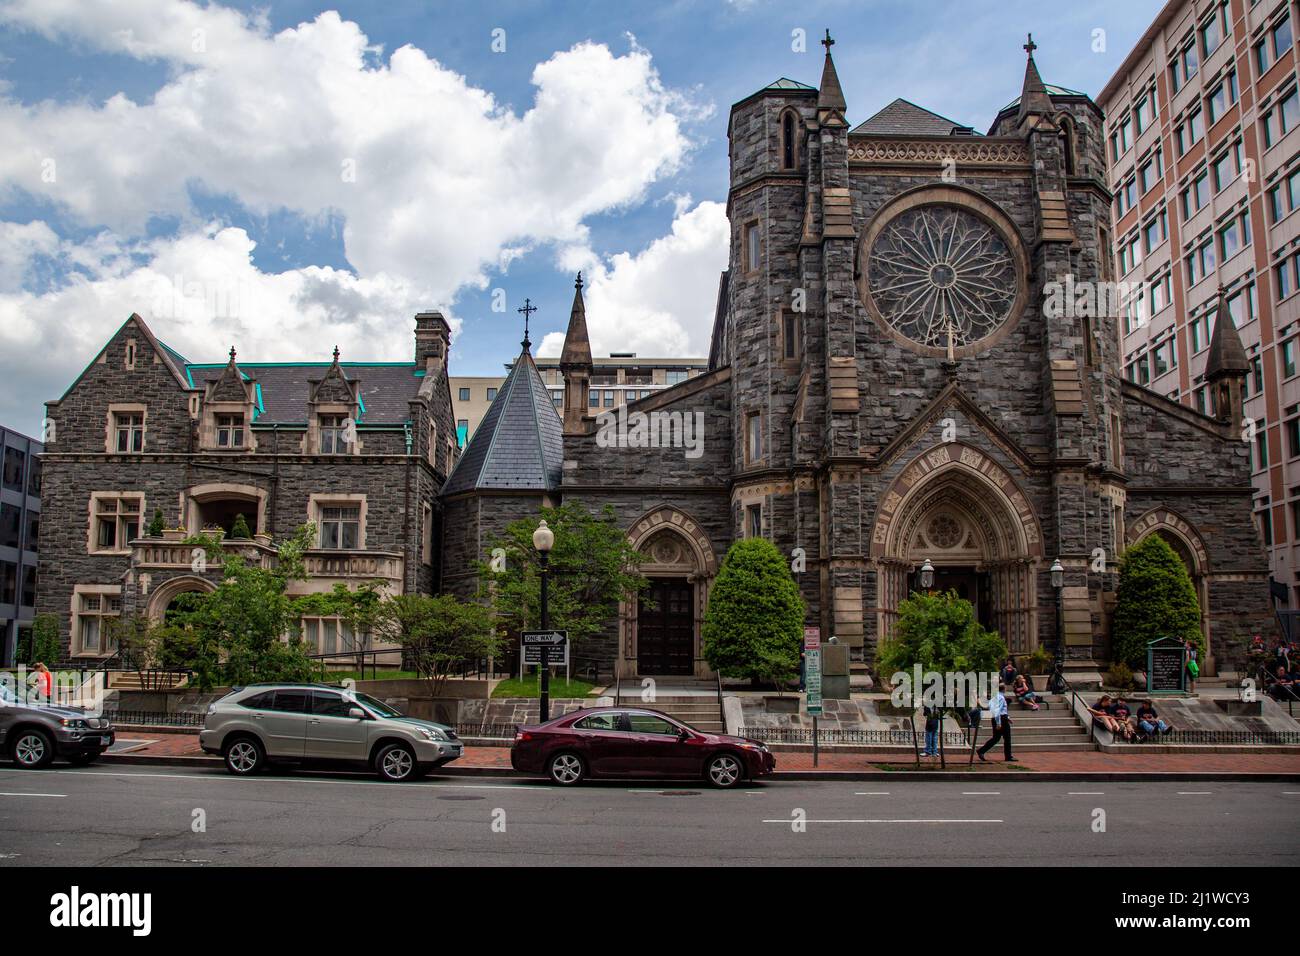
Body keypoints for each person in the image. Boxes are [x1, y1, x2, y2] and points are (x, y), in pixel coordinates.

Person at [977, 683, 1014, 762]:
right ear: (1004, 689)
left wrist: (1007, 717)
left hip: (997, 718)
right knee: (1007, 738)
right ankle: (1008, 756)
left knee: (996, 738)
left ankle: (981, 751)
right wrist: (999, 723)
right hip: (1000, 719)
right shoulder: (1000, 697)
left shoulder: (994, 697)